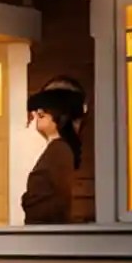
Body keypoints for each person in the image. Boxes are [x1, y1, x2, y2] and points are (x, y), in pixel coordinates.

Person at [21, 86, 84, 225]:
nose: (37, 117)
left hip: (46, 231)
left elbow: (60, 198)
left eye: (42, 114)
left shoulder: (60, 150)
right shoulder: (55, 149)